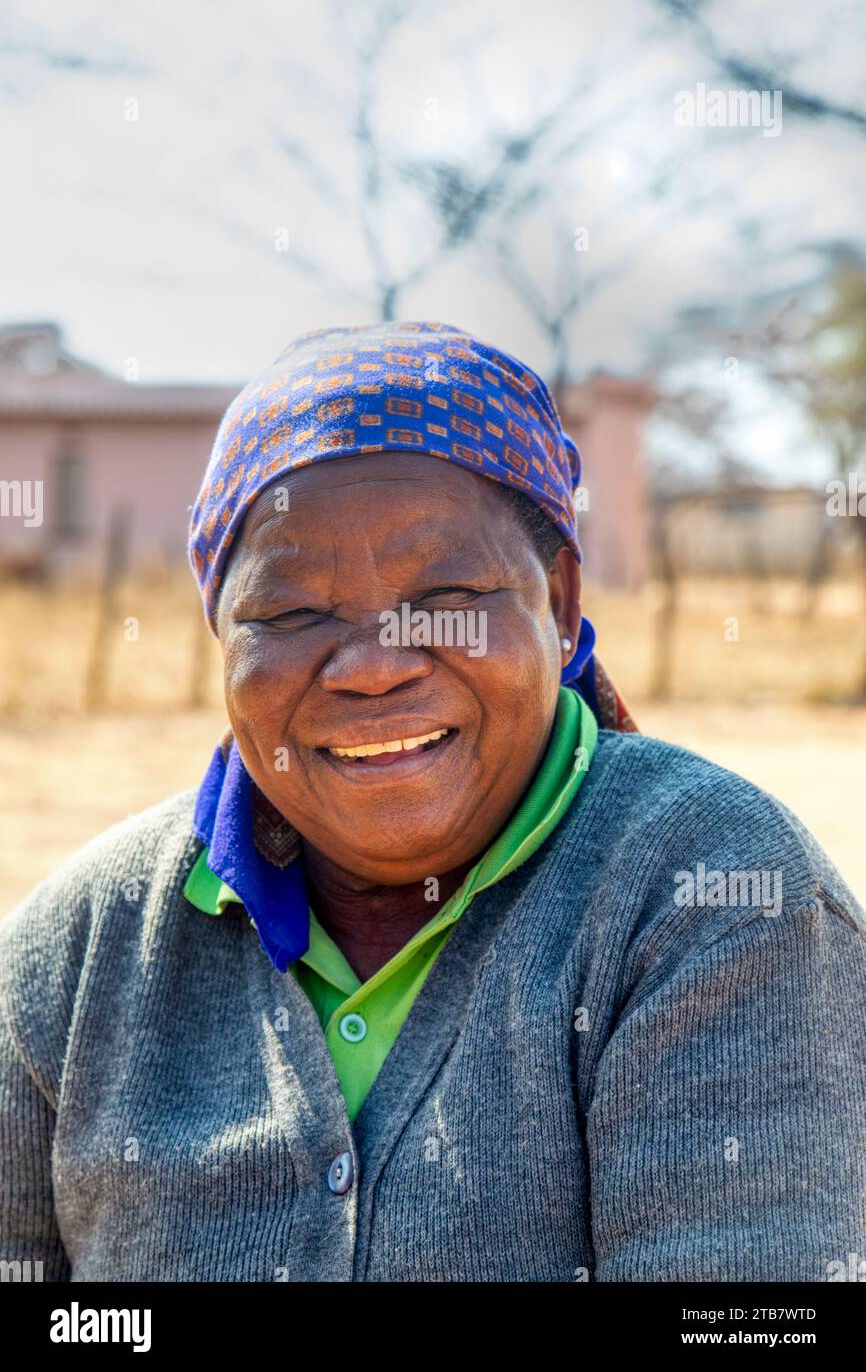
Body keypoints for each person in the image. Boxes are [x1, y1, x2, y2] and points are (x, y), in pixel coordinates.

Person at [1, 321, 864, 1282]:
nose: (373, 667)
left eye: (447, 594)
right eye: (290, 612)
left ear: (561, 599)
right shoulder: (74, 958)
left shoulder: (712, 899)